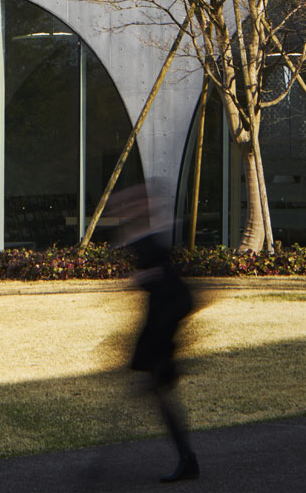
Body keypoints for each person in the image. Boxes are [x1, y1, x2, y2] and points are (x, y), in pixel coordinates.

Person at [115, 184, 198, 483]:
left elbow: (162, 270)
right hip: (162, 311)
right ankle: (186, 458)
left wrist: (141, 277)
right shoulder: (137, 232)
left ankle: (187, 459)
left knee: (159, 386)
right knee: (159, 387)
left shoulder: (156, 228)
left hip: (168, 311)